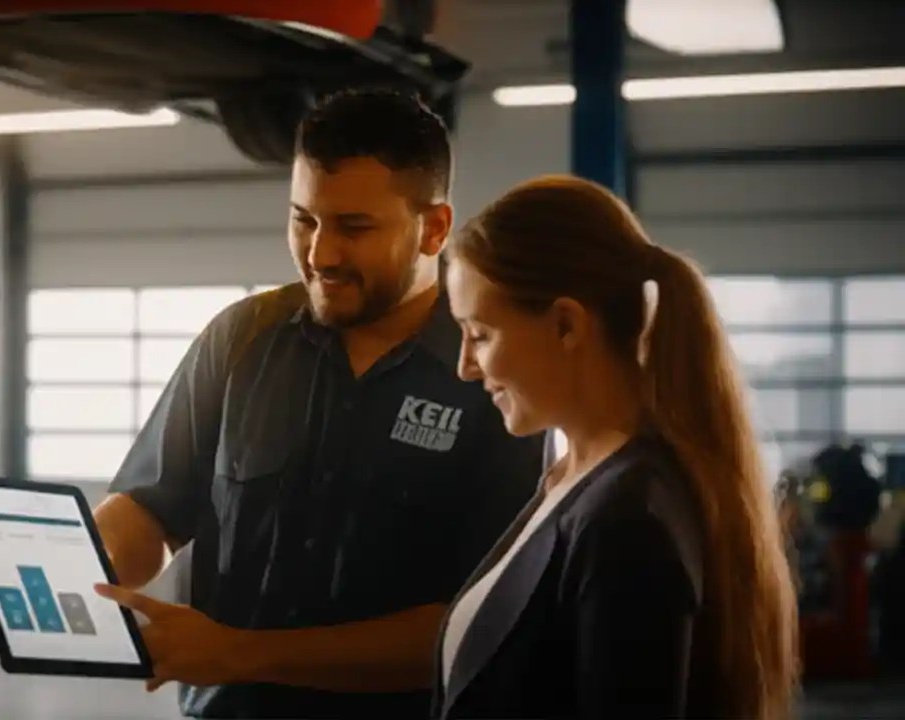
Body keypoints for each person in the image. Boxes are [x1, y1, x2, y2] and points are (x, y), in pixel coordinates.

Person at [90, 88, 546, 719]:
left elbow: (473, 621)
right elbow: (151, 506)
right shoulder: (241, 339)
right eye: (304, 219)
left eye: (354, 228)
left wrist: (242, 653)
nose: (319, 254)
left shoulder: (489, 372)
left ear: (433, 228)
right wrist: (75, 570)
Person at [434, 174, 800, 719]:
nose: (465, 365)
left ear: (565, 325)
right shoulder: (575, 478)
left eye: (481, 334)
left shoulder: (629, 516)